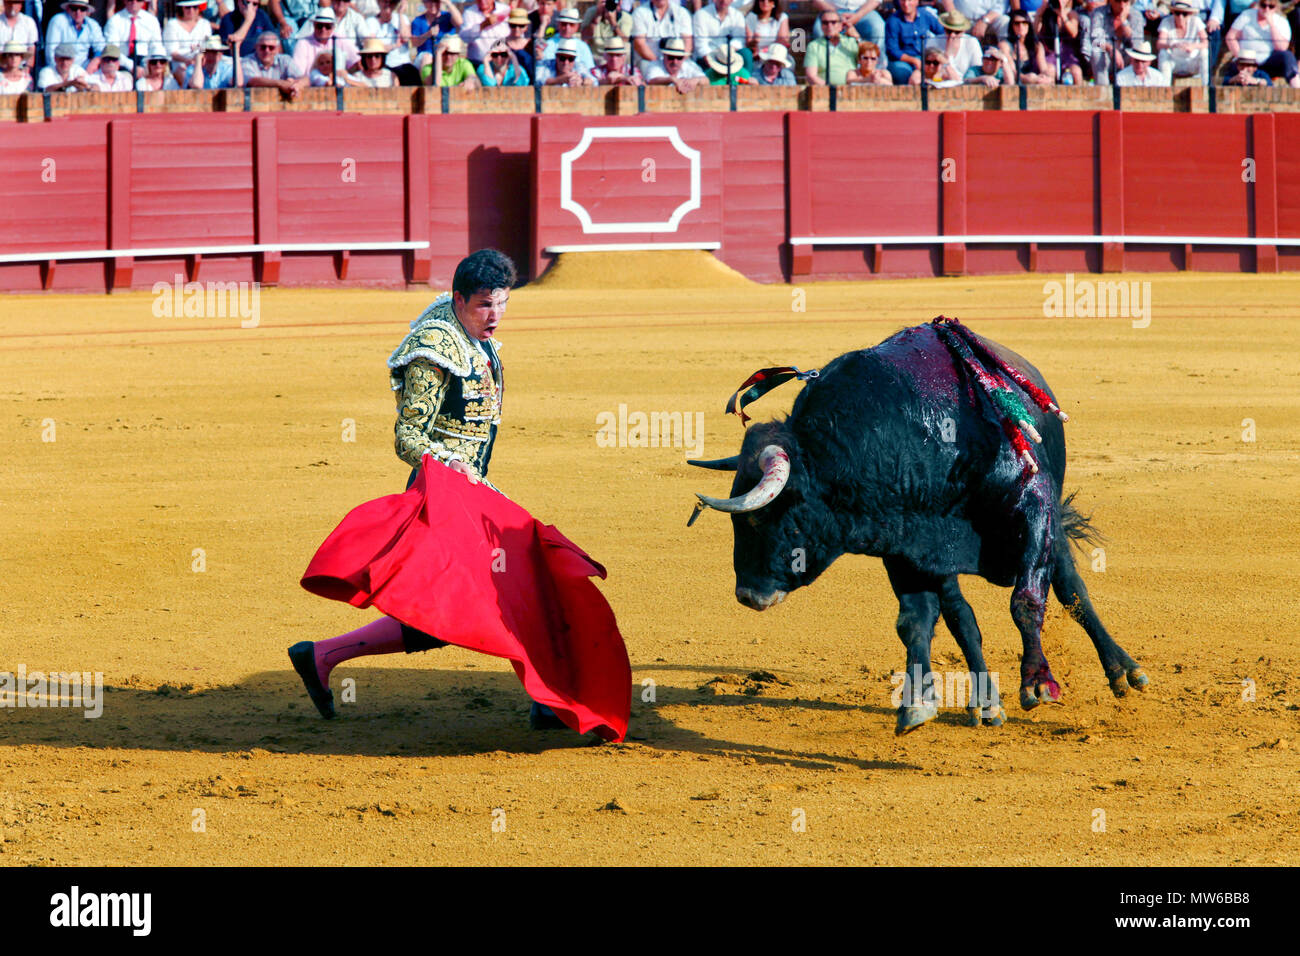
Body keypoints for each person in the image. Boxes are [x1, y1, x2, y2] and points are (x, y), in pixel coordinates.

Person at [291, 250, 618, 734]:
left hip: (474, 494)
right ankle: (548, 698)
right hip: (443, 497)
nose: (496, 316)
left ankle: (323, 656)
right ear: (460, 298)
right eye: (486, 305)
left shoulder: (472, 334)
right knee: (479, 599)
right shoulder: (433, 350)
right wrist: (454, 467)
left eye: (502, 304)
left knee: (491, 594)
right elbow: (408, 438)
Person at [1224, 0, 1298, 87]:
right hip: (1246, 61)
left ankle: (1297, 88)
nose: (1267, 9)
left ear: (1276, 7)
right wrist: (1240, 56)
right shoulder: (1247, 15)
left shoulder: (1281, 21)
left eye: (1271, 6)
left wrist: (1271, 24)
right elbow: (1230, 37)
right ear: (1259, 4)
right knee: (1233, 73)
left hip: (1268, 62)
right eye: (1263, 5)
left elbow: (1282, 47)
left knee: (1287, 56)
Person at [1083, 0, 1142, 83]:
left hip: (1127, 58)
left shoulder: (1136, 15)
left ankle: (1129, 89)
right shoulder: (1099, 13)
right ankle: (1103, 90)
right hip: (1107, 57)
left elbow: (1138, 44)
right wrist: (1111, 49)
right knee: (1097, 53)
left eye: (1125, 1)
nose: (1122, 5)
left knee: (1137, 57)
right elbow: (1095, 41)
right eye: (1118, 1)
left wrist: (1124, 22)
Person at [885, 0, 942, 84]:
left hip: (925, 58)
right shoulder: (893, 21)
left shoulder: (925, 15)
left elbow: (942, 33)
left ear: (917, 1)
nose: (906, 4)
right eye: (903, 0)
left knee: (938, 69)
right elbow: (893, 50)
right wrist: (914, 60)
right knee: (902, 73)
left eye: (910, 0)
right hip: (903, 61)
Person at [291, 7, 358, 76]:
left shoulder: (341, 40)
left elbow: (358, 63)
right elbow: (298, 73)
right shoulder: (303, 43)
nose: (323, 29)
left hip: (338, 83)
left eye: (327, 26)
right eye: (319, 26)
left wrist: (346, 74)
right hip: (310, 84)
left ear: (333, 27)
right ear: (314, 25)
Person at [631, 0, 693, 74]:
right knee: (647, 68)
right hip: (650, 61)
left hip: (677, 61)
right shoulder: (639, 13)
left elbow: (688, 44)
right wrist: (660, 64)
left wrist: (677, 61)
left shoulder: (682, 13)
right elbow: (639, 44)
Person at [104, 0, 164, 76]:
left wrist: (149, 65)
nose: (134, 2)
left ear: (143, 2)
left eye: (138, 0)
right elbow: (113, 49)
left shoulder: (152, 20)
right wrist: (132, 66)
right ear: (124, 1)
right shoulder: (114, 21)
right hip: (122, 62)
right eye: (130, 0)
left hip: (146, 62)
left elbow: (156, 46)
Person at [1156, 0, 1208, 84]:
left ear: (1190, 14)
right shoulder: (1166, 22)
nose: (1180, 17)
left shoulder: (1196, 21)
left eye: (1184, 14)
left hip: (1192, 61)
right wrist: (1172, 45)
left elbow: (1206, 43)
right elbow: (1159, 44)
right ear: (1173, 12)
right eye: (1177, 13)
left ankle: (1205, 86)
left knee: (1204, 52)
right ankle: (1164, 89)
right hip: (1174, 61)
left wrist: (1193, 46)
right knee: (1163, 53)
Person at [44, 0, 103, 72]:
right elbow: (50, 53)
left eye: (82, 9)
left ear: (87, 11)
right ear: (68, 9)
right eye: (74, 8)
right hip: (60, 68)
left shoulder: (93, 25)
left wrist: (95, 62)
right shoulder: (58, 21)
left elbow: (101, 48)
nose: (78, 12)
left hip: (84, 70)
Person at [241, 29, 306, 94]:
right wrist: (281, 84)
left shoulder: (285, 60)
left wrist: (297, 85)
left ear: (278, 49)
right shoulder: (247, 61)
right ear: (256, 47)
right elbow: (252, 81)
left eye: (271, 47)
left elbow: (305, 79)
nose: (267, 50)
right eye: (263, 47)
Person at [805, 6, 860, 84]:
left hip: (850, 91)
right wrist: (830, 90)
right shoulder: (813, 46)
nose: (829, 26)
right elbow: (811, 76)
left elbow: (870, 59)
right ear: (821, 26)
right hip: (824, 92)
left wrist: (857, 38)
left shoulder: (852, 42)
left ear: (841, 25)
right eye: (825, 23)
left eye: (833, 22)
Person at [1038, 0, 1084, 84]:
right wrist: (1041, 12)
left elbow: (1074, 33)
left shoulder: (1071, 14)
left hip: (1067, 54)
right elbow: (1035, 32)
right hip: (1050, 53)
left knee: (1076, 72)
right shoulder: (1046, 12)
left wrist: (1063, 15)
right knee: (1049, 71)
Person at [538, 6, 593, 74]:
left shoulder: (583, 47)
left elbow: (589, 70)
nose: (567, 28)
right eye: (564, 24)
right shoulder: (548, 44)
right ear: (558, 24)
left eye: (571, 24)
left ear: (577, 26)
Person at [928, 9, 982, 80]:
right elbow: (933, 73)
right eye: (949, 31)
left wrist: (946, 59)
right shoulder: (933, 41)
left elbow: (977, 71)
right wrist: (947, 56)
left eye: (957, 32)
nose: (952, 35)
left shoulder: (972, 42)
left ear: (963, 31)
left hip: (967, 85)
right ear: (944, 29)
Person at [1001, 7, 1050, 80]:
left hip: (1034, 79)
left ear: (1029, 25)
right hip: (1013, 81)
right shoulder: (1005, 45)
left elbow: (1043, 68)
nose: (1021, 26)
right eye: (1017, 23)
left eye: (1024, 23)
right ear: (1012, 26)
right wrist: (1027, 78)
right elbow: (1013, 72)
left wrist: (1046, 77)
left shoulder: (1037, 45)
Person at [460, 0, 510, 65]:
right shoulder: (469, 13)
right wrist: (482, 25)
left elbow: (514, 32)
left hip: (503, 61)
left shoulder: (505, 10)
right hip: (478, 62)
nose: (482, 1)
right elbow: (465, 38)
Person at [503, 6, 533, 79]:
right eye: (513, 25)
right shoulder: (501, 44)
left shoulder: (531, 44)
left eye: (521, 26)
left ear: (526, 27)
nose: (517, 29)